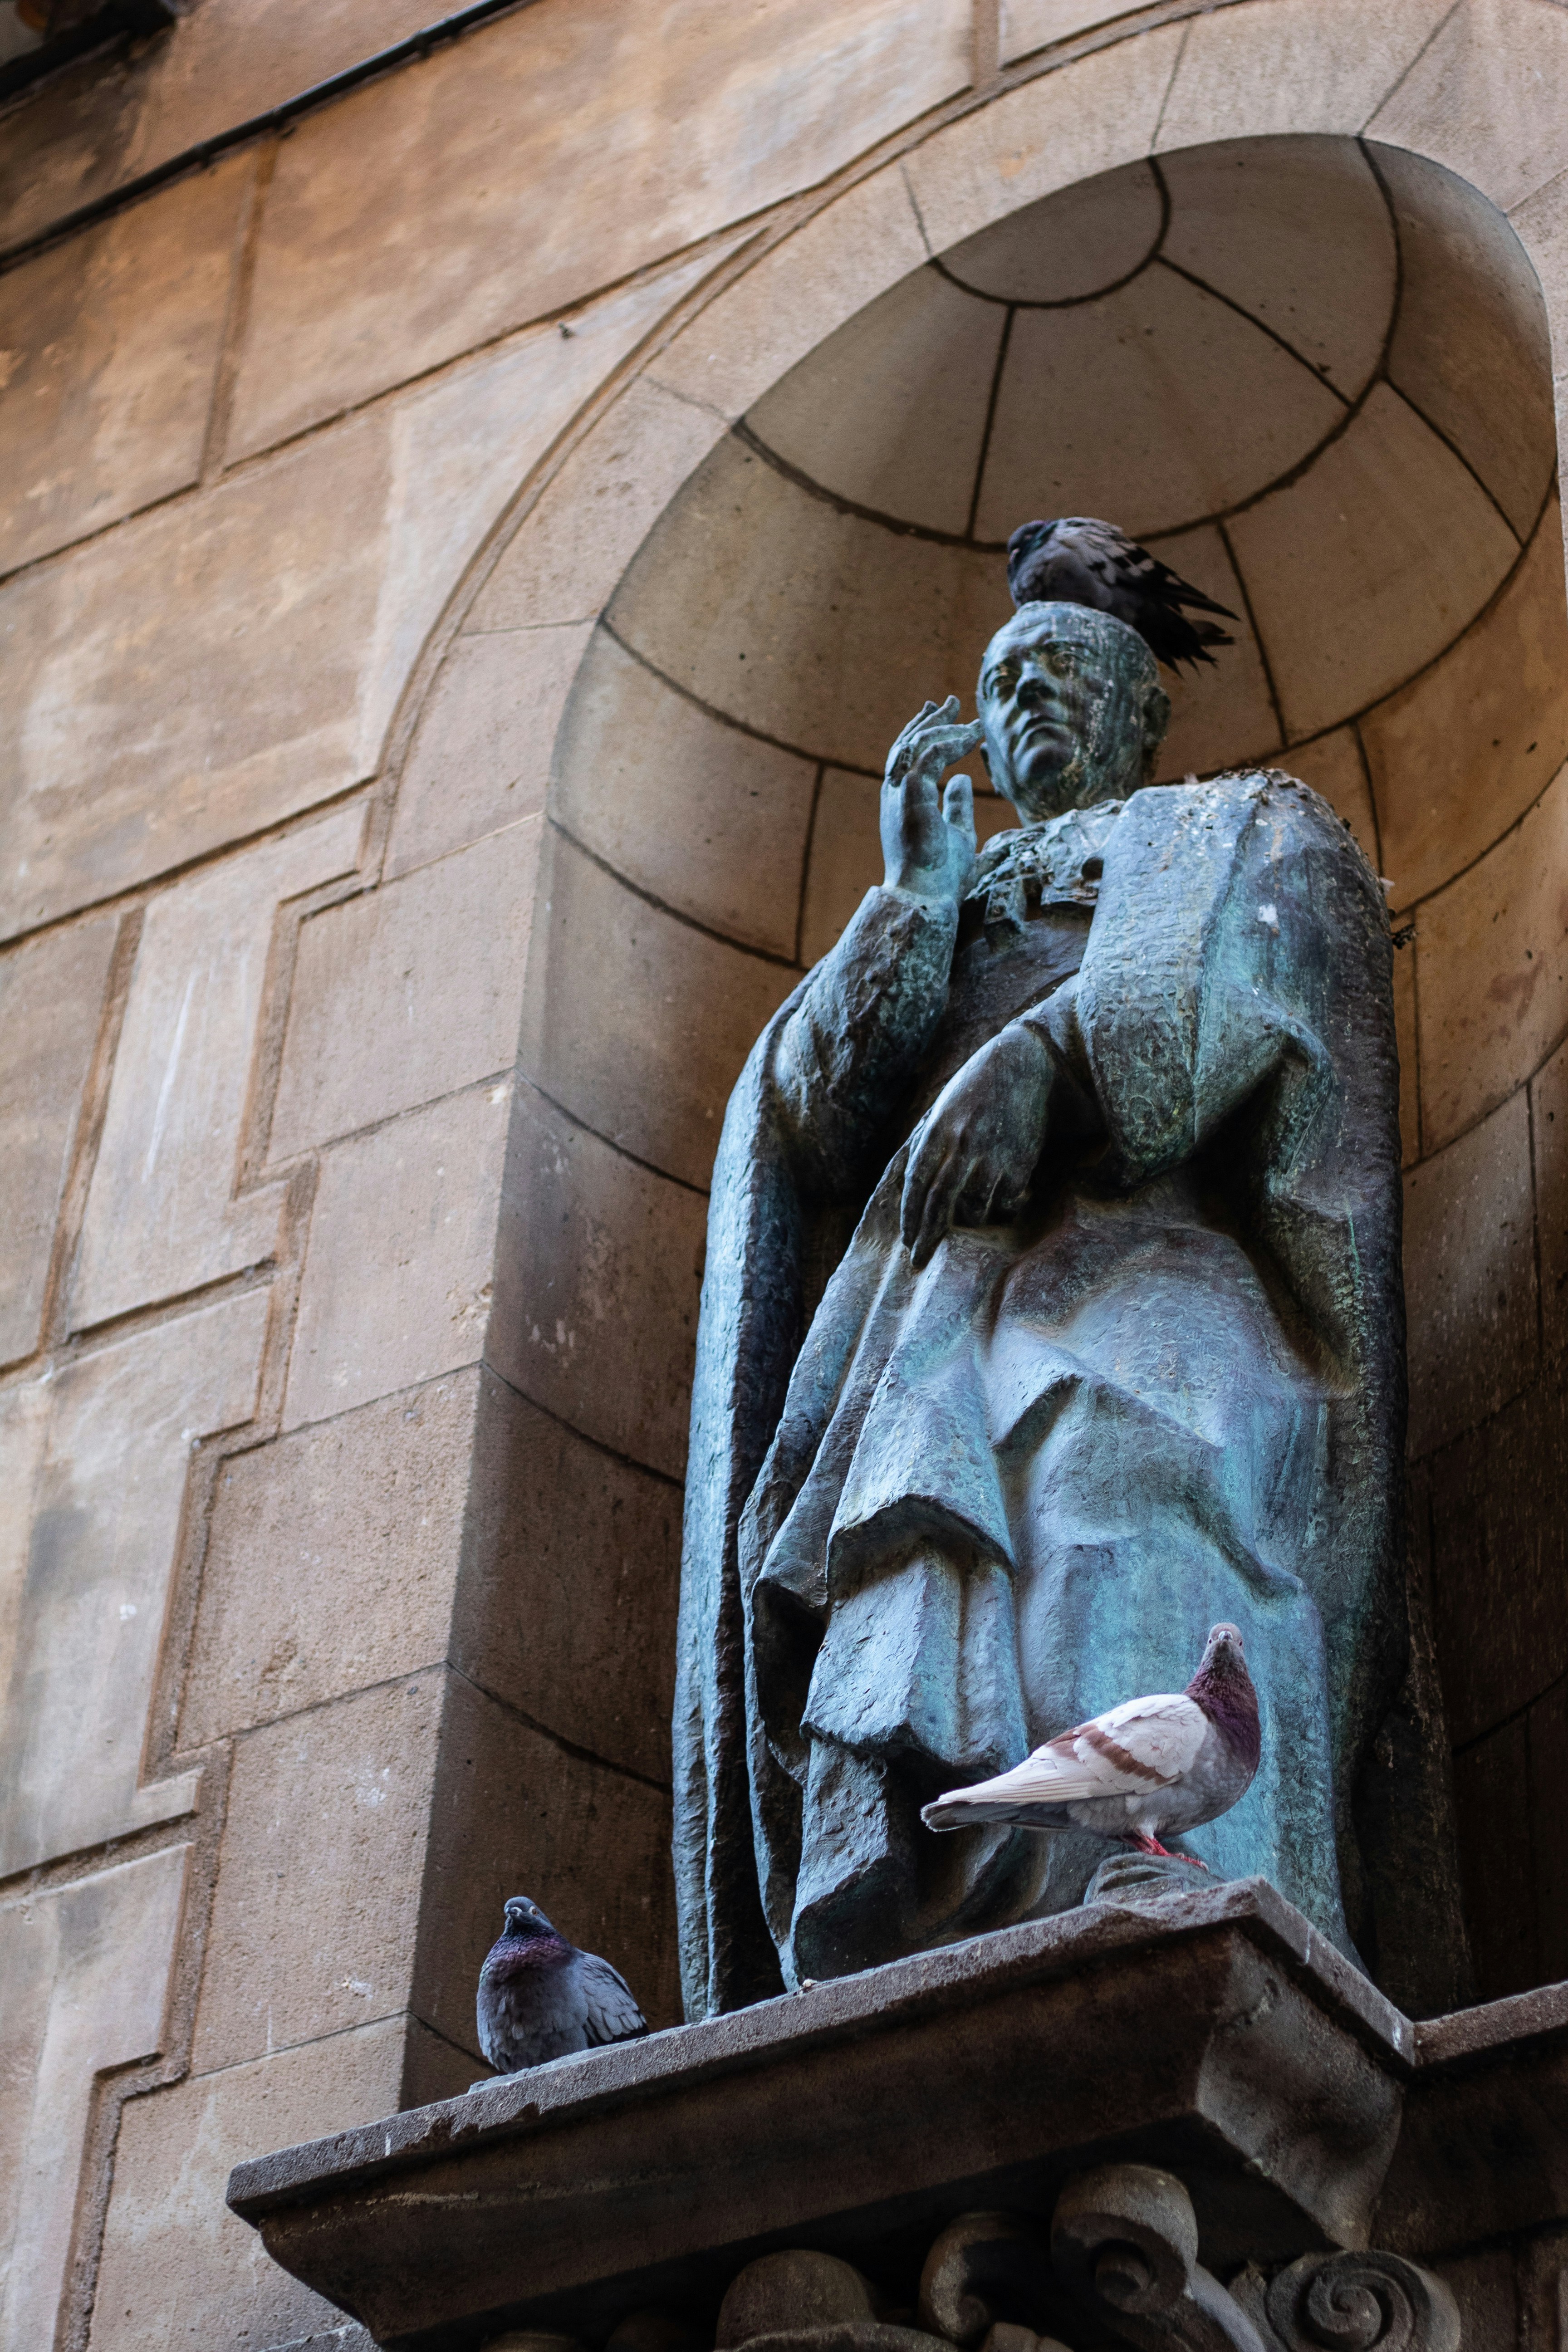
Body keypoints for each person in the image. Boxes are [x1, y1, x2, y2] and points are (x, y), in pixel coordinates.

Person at [674, 594, 1404, 2019]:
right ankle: (944, 1943)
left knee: (1112, 1477)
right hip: (928, 1325)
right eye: (1006, 682)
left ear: (1142, 712)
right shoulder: (950, 887)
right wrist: (915, 898)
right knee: (915, 1584)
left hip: (1157, 1276)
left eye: (1067, 675)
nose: (1030, 703)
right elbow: (815, 1131)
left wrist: (1054, 1057)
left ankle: (1151, 1891)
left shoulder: (1224, 831)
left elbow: (1291, 974)